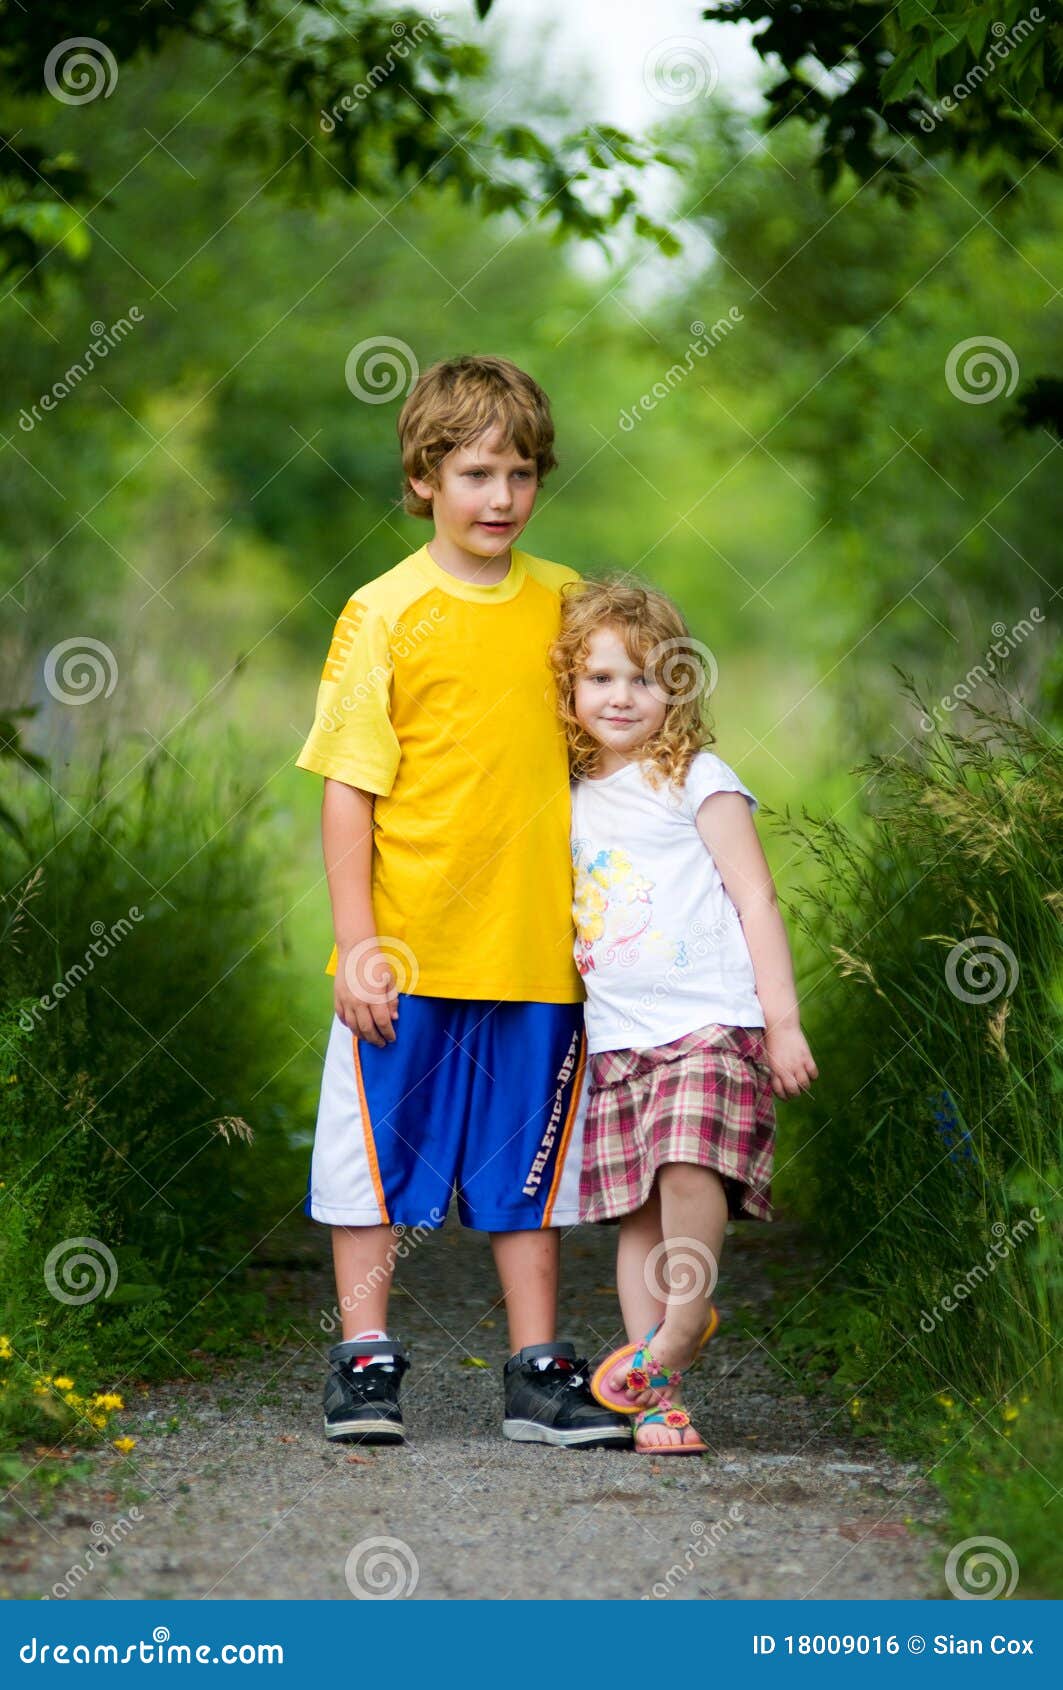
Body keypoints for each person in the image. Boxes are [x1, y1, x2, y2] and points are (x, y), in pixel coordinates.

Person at [294, 355, 630, 1451]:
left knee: (525, 1173)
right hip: (413, 951)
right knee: (375, 1165)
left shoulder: (567, 602)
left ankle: (537, 1372)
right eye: (476, 471)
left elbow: (611, 761)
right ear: (424, 476)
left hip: (539, 952)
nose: (500, 497)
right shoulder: (383, 612)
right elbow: (350, 788)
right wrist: (356, 946)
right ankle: (365, 1361)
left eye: (521, 472)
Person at [547, 575, 818, 1455]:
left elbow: (756, 898)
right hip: (619, 1036)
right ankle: (657, 1394)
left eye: (643, 678)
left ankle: (674, 1332)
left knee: (685, 1166)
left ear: (678, 687)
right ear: (568, 692)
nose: (620, 697)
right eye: (599, 679)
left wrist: (781, 1022)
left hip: (709, 1021)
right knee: (636, 1215)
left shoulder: (699, 778)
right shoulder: (571, 792)